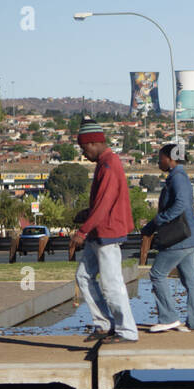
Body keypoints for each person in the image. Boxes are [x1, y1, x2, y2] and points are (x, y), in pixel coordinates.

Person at [71, 119, 137, 343]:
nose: (83, 153)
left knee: (112, 283)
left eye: (84, 148)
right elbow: (99, 204)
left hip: (108, 232)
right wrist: (87, 215)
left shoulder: (109, 164)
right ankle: (104, 324)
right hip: (98, 232)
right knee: (83, 276)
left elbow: (105, 203)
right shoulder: (104, 162)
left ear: (93, 143)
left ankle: (127, 331)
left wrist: (82, 230)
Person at [143, 143, 194, 332]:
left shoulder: (178, 178)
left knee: (157, 274)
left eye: (160, 157)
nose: (158, 161)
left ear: (170, 159)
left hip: (180, 238)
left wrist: (157, 221)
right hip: (190, 237)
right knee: (190, 280)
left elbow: (180, 205)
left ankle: (168, 317)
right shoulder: (179, 176)